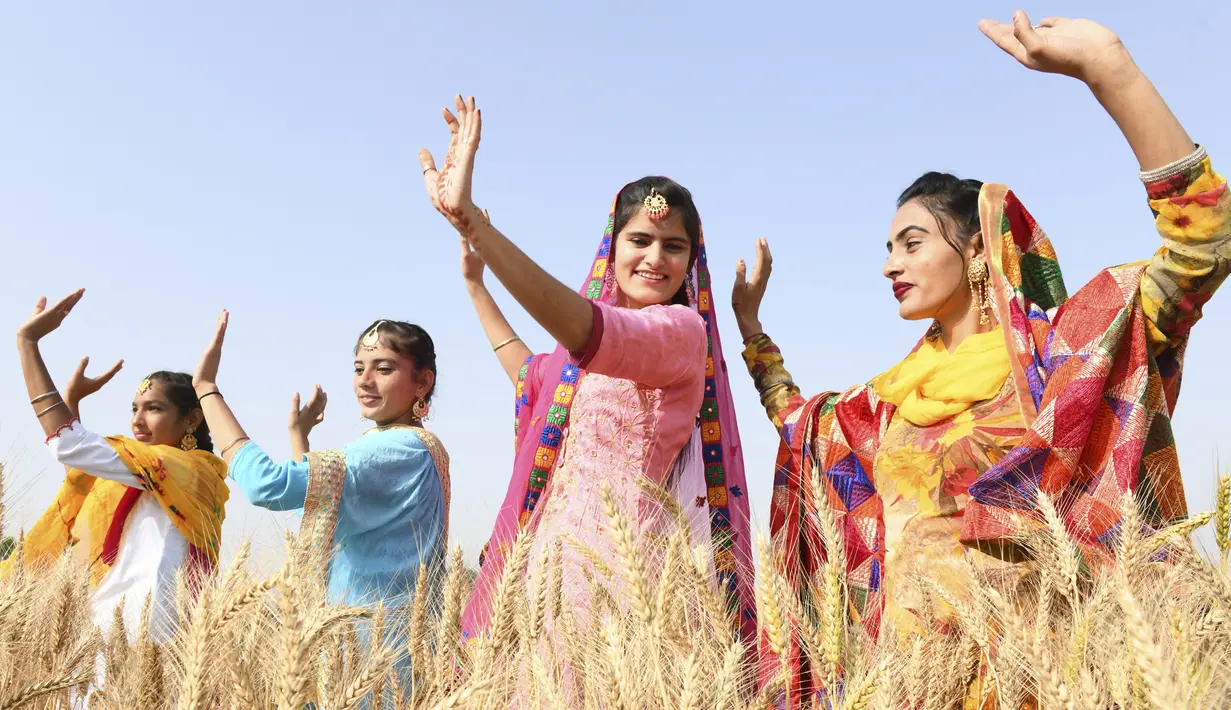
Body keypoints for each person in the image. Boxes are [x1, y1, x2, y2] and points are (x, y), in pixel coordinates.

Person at [731, 12, 1230, 705]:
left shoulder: (1062, 362)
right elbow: (799, 427)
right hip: (912, 686)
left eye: (911, 243)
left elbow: (1202, 245)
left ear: (974, 247)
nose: (889, 265)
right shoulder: (887, 404)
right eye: (887, 249)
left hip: (1042, 684)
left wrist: (1109, 70)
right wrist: (752, 330)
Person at [419, 96, 756, 648]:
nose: (655, 258)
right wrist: (476, 284)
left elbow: (588, 332)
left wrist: (476, 225)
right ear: (611, 248)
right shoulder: (586, 362)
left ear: (692, 261)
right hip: (550, 571)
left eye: (674, 247)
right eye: (639, 240)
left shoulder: (680, 333)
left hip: (625, 578)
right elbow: (534, 375)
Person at [6, 290, 230, 641]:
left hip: (153, 626)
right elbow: (85, 480)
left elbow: (69, 445)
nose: (138, 421)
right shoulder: (145, 472)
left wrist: (28, 344)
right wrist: (72, 402)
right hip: (105, 619)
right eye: (134, 408)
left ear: (191, 419)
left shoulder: (188, 471)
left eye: (154, 408)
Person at [191, 313, 450, 607]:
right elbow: (317, 509)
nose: (365, 381)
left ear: (422, 382)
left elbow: (265, 485)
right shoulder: (422, 449)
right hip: (389, 628)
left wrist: (206, 390)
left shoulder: (396, 449)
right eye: (358, 368)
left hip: (369, 630)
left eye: (383, 369)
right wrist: (299, 437)